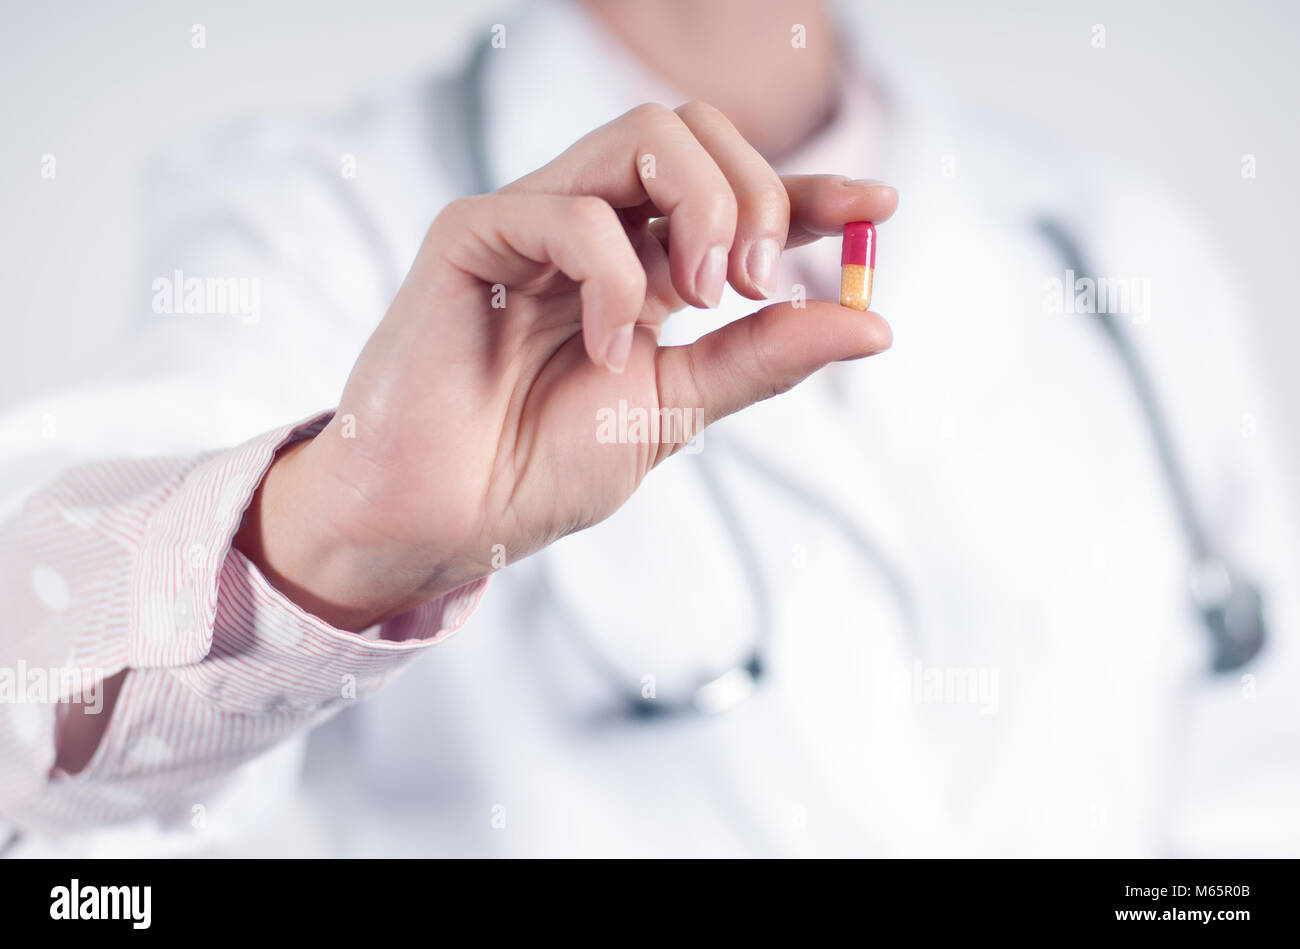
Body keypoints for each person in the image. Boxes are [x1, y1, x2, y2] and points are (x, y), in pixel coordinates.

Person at [2, 0, 1298, 857]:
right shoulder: (314, 216)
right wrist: (312, 545)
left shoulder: (1118, 243)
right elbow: (34, 736)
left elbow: (1250, 798)